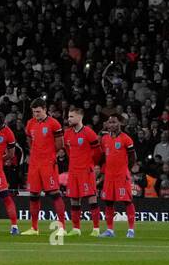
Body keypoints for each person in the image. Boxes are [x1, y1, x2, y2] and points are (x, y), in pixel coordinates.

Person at [22, 99, 67, 235]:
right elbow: (30, 141)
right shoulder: (30, 123)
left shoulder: (54, 124)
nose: (36, 114)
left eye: (38, 111)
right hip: (35, 164)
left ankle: (62, 228)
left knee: (54, 194)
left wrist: (48, 154)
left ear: (45, 109)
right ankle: (34, 228)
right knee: (34, 195)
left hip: (48, 163)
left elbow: (60, 144)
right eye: (34, 112)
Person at [63, 105, 100, 236]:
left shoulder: (89, 133)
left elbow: (97, 152)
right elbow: (68, 150)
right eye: (68, 116)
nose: (69, 119)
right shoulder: (67, 133)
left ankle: (96, 229)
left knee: (91, 198)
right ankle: (76, 229)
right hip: (73, 171)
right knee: (74, 199)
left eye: (71, 116)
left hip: (86, 171)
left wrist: (91, 164)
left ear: (80, 117)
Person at [99, 114, 137, 238]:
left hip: (122, 175)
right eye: (110, 123)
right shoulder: (104, 139)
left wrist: (126, 169)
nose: (112, 125)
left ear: (120, 123)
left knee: (127, 201)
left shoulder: (126, 139)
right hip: (109, 176)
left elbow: (132, 157)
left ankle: (131, 230)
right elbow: (103, 157)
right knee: (108, 202)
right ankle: (110, 230)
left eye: (114, 122)